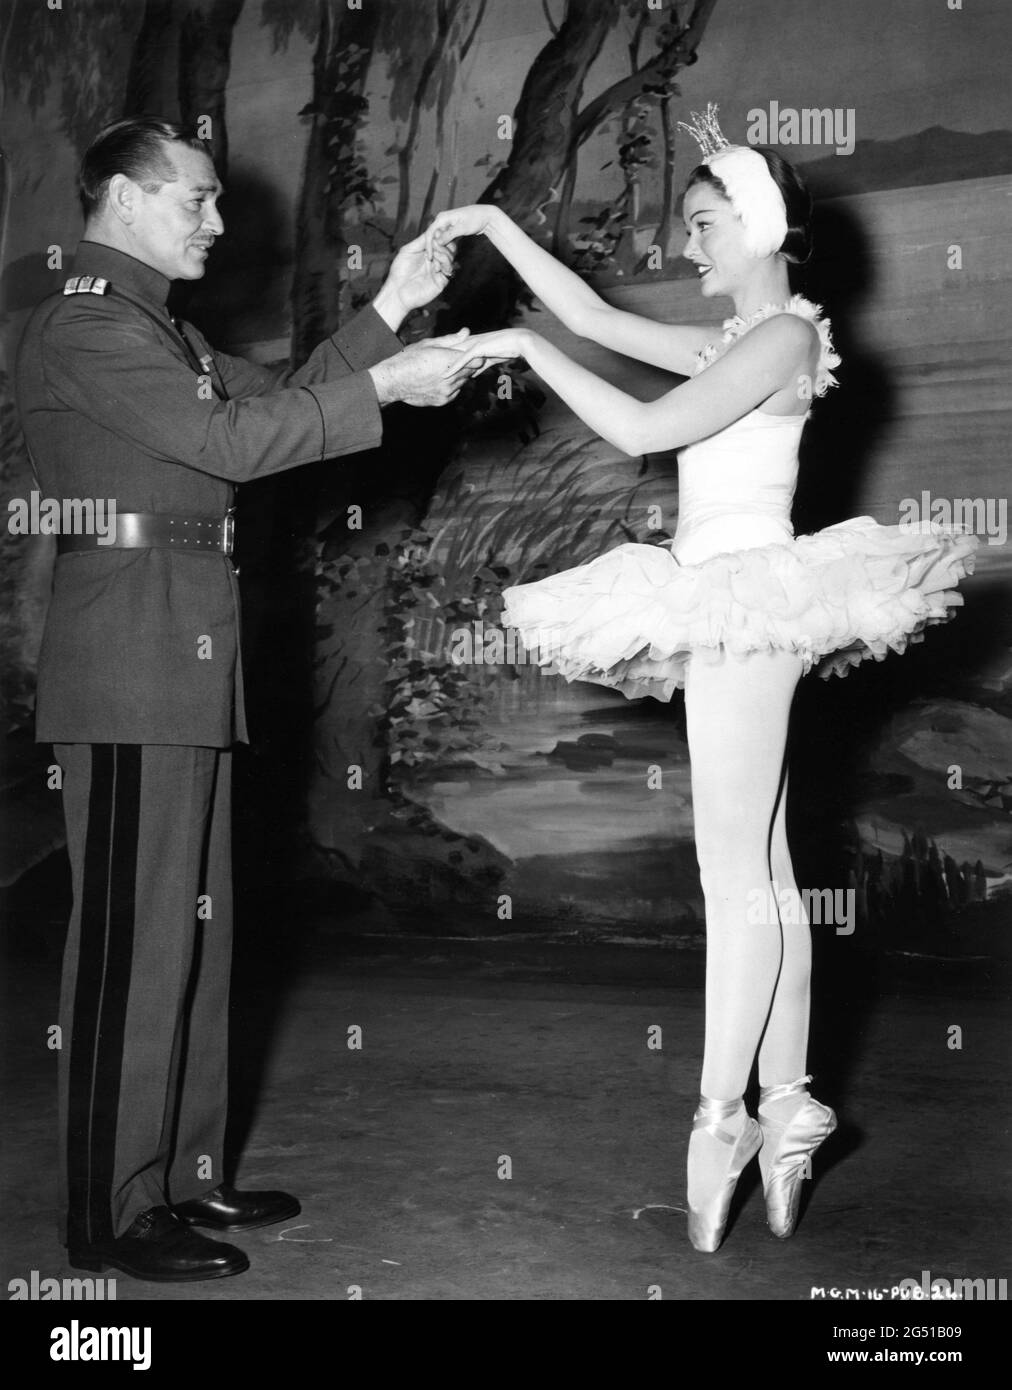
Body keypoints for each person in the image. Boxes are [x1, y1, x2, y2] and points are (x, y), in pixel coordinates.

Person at [424, 105, 977, 1253]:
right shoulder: (740, 340)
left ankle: (720, 1117)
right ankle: (786, 1110)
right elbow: (591, 314)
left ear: (762, 223)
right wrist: (490, 224)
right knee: (764, 867)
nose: (689, 247)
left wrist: (522, 354)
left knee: (737, 878)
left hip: (745, 604)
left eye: (703, 222)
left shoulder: (777, 341)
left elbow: (636, 430)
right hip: (725, 597)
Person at [15, 116, 476, 1283]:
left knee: (196, 935)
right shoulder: (83, 324)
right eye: (197, 201)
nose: (218, 224)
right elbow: (228, 440)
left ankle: (185, 1176)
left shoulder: (160, 330)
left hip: (183, 655)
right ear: (123, 200)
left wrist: (392, 312)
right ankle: (108, 1214)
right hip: (126, 663)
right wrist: (384, 385)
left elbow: (292, 397)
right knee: (130, 950)